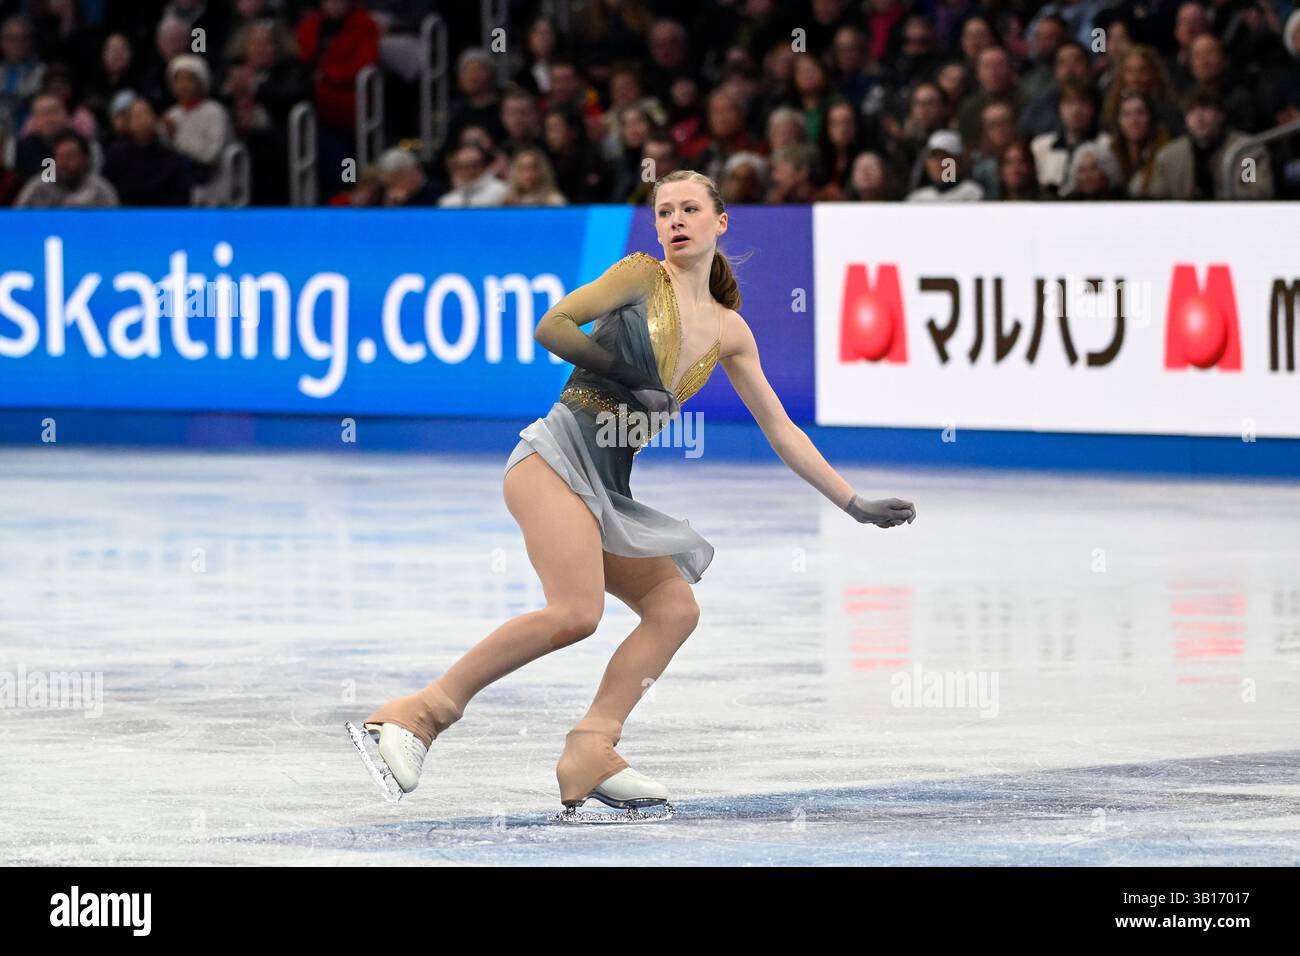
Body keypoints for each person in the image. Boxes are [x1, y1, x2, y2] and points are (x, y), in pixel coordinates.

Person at [350, 169, 916, 817]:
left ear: (719, 221)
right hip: (552, 459)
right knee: (576, 612)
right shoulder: (641, 276)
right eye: (665, 211)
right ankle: (416, 715)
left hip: (608, 488)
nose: (675, 220)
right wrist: (624, 372)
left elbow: (782, 431)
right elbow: (554, 325)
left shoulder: (732, 332)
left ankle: (592, 747)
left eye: (689, 209)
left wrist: (853, 502)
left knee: (674, 607)